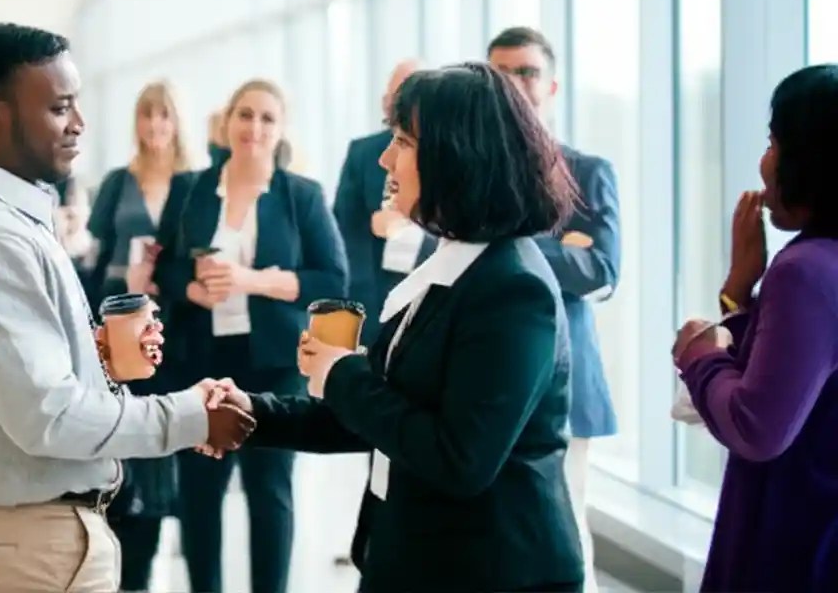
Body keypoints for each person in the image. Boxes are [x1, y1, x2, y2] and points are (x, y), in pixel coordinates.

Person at [208, 63, 584, 592]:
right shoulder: (451, 265)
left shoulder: (511, 290)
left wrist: (341, 374)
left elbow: (458, 458)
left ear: (457, 157)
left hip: (490, 570)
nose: (385, 158)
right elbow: (383, 416)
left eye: (403, 142)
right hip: (417, 558)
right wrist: (253, 413)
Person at [0, 22, 255, 593]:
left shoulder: (7, 211)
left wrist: (94, 357)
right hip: (32, 543)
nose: (79, 125)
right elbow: (48, 417)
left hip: (39, 534)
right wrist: (191, 416)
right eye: (59, 108)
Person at [153, 78, 348, 593]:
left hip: (273, 364)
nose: (254, 128)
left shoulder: (301, 195)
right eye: (245, 115)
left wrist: (250, 281)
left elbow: (331, 279)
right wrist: (192, 289)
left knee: (270, 489)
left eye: (266, 118)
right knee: (198, 490)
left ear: (280, 130)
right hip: (199, 357)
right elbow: (166, 268)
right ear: (228, 121)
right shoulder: (190, 188)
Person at [673, 64, 838, 591]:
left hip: (794, 540)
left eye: (773, 140)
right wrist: (738, 291)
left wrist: (698, 355)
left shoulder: (805, 270)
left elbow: (755, 424)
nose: (764, 160)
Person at [488, 26, 619, 588]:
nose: (516, 85)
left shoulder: (588, 172)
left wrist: (510, 245)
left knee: (564, 532)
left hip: (565, 382)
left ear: (553, 85)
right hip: (482, 378)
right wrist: (558, 248)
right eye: (502, 74)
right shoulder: (474, 170)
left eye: (528, 72)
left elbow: (603, 272)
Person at [86, 80, 192, 591]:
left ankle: (156, 558)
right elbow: (96, 253)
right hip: (122, 330)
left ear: (176, 122)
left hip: (175, 330)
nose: (155, 126)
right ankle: (128, 570)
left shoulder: (194, 183)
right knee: (128, 444)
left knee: (169, 447)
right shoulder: (116, 182)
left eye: (164, 116)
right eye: (147, 116)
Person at [334, 59, 436, 349]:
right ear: (385, 103)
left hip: (429, 290)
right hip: (373, 292)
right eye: (399, 95)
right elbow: (344, 227)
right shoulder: (363, 151)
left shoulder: (448, 152)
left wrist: (412, 228)